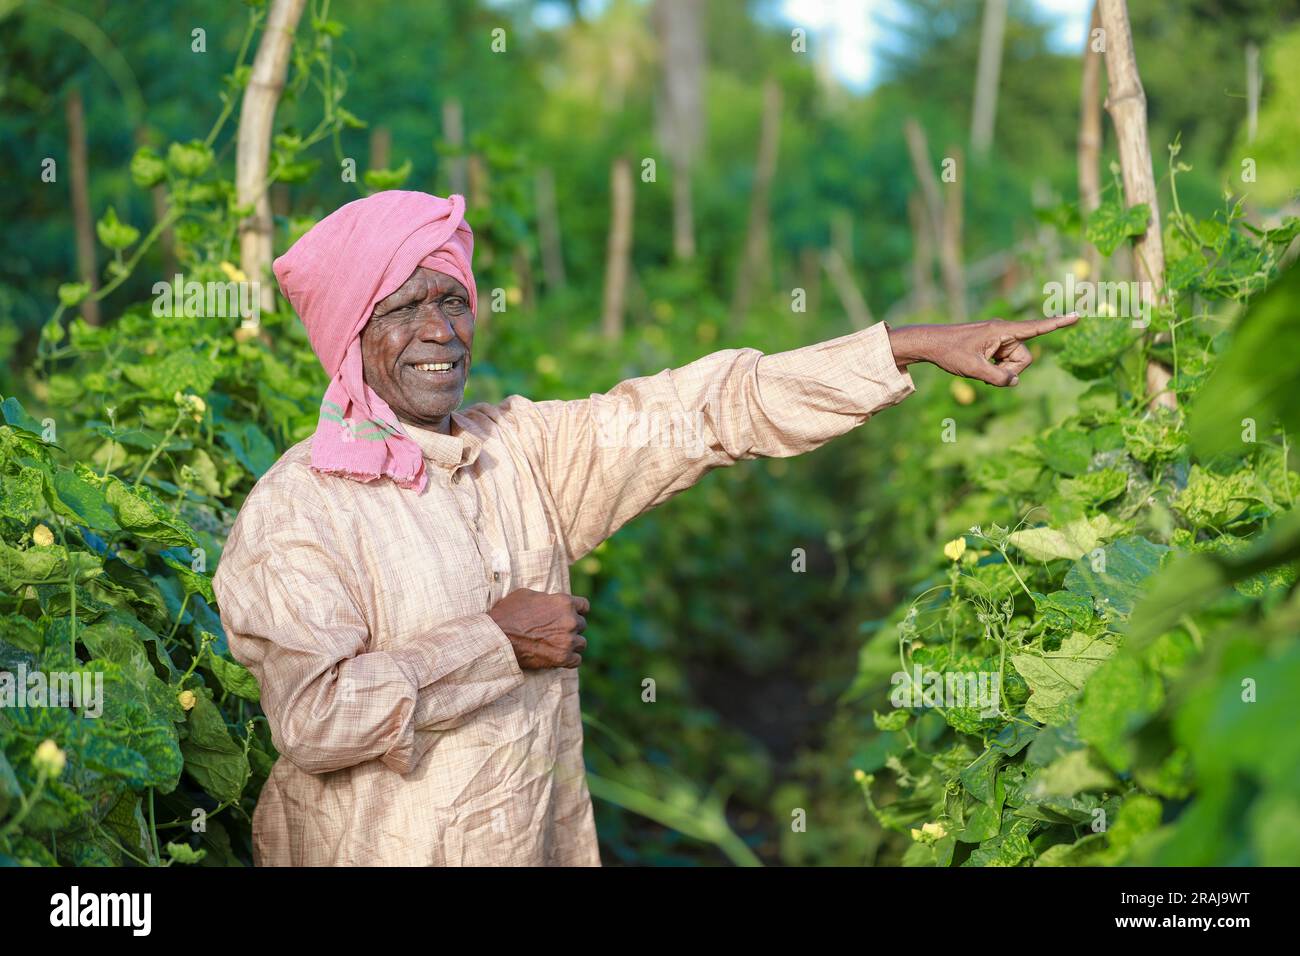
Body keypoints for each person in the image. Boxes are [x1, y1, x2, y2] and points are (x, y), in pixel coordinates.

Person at [212, 190, 1076, 866]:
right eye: (402, 308)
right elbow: (316, 719)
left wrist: (910, 346)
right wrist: (493, 643)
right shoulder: (304, 506)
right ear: (348, 333)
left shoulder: (517, 450)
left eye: (453, 300)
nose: (439, 331)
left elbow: (705, 407)